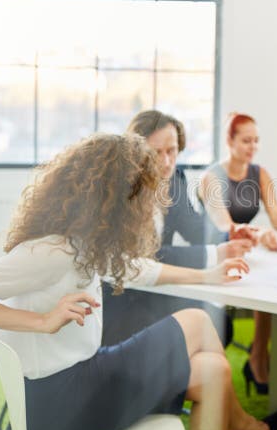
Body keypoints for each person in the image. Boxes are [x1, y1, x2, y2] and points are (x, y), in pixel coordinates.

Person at [0, 134, 277, 430]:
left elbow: (136, 269)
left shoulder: (84, 242)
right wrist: (42, 321)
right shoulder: (54, 251)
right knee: (198, 320)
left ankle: (240, 428)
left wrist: (207, 275)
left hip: (81, 382)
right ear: (117, 198)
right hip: (62, 405)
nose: (149, 204)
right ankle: (243, 428)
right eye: (144, 194)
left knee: (214, 372)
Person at [101, 110, 258, 347]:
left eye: (172, 151)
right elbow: (145, 256)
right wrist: (214, 254)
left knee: (222, 324)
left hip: (161, 288)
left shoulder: (175, 179)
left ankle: (188, 368)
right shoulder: (122, 192)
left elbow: (194, 228)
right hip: (127, 298)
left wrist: (229, 236)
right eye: (156, 153)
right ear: (136, 153)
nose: (166, 162)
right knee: (205, 328)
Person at [198, 112, 277, 394]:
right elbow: (225, 226)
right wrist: (259, 234)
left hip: (245, 250)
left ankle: (258, 355)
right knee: (260, 282)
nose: (253, 146)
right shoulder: (212, 178)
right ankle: (246, 362)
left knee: (270, 284)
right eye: (246, 140)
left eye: (256, 140)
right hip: (216, 253)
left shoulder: (259, 174)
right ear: (229, 141)